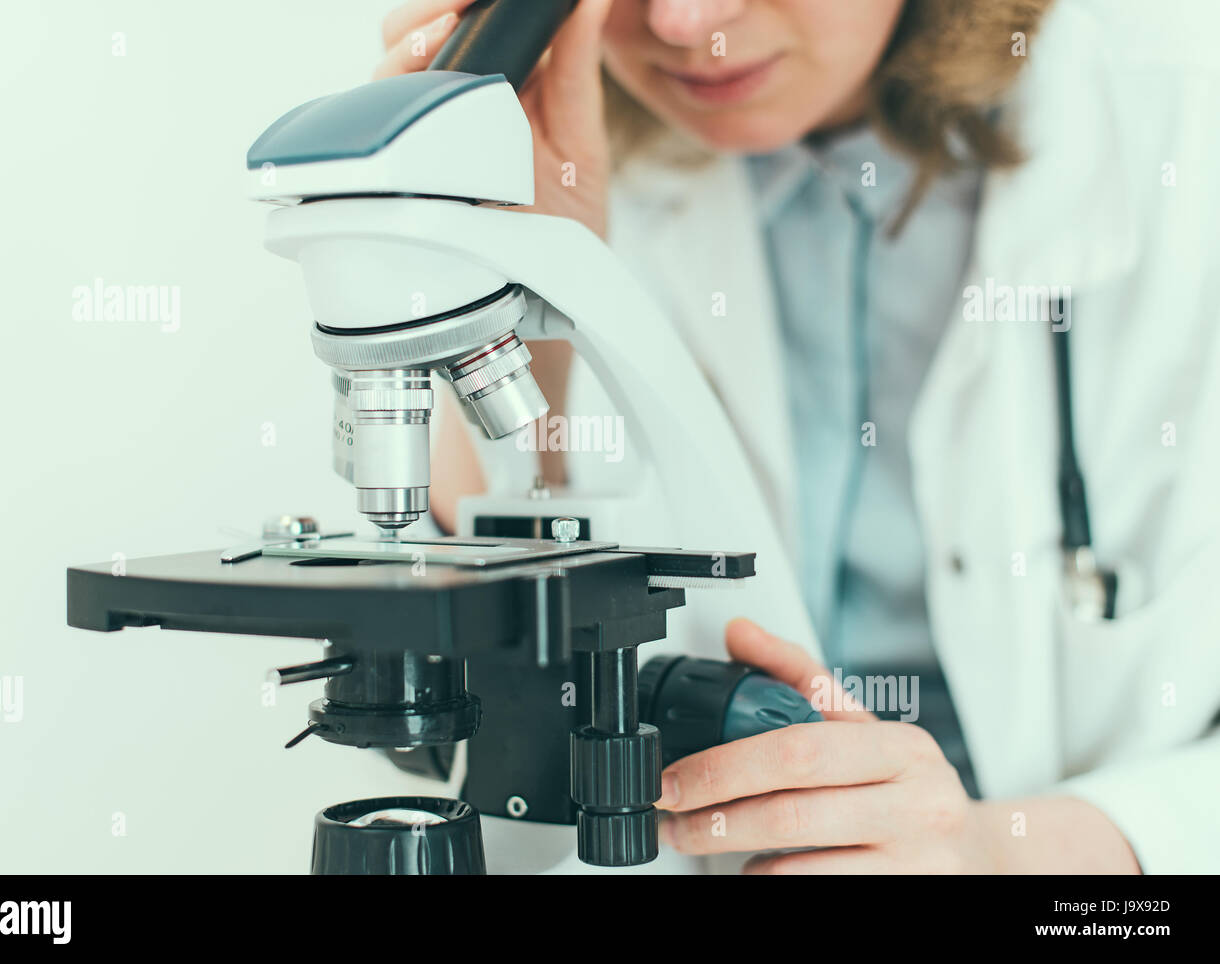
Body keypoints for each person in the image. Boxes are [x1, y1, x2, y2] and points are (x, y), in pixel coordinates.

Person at [375, 0, 1220, 873]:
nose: (682, 22)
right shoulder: (566, 145)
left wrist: (993, 858)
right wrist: (523, 277)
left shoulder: (1185, 118)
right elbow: (477, 691)